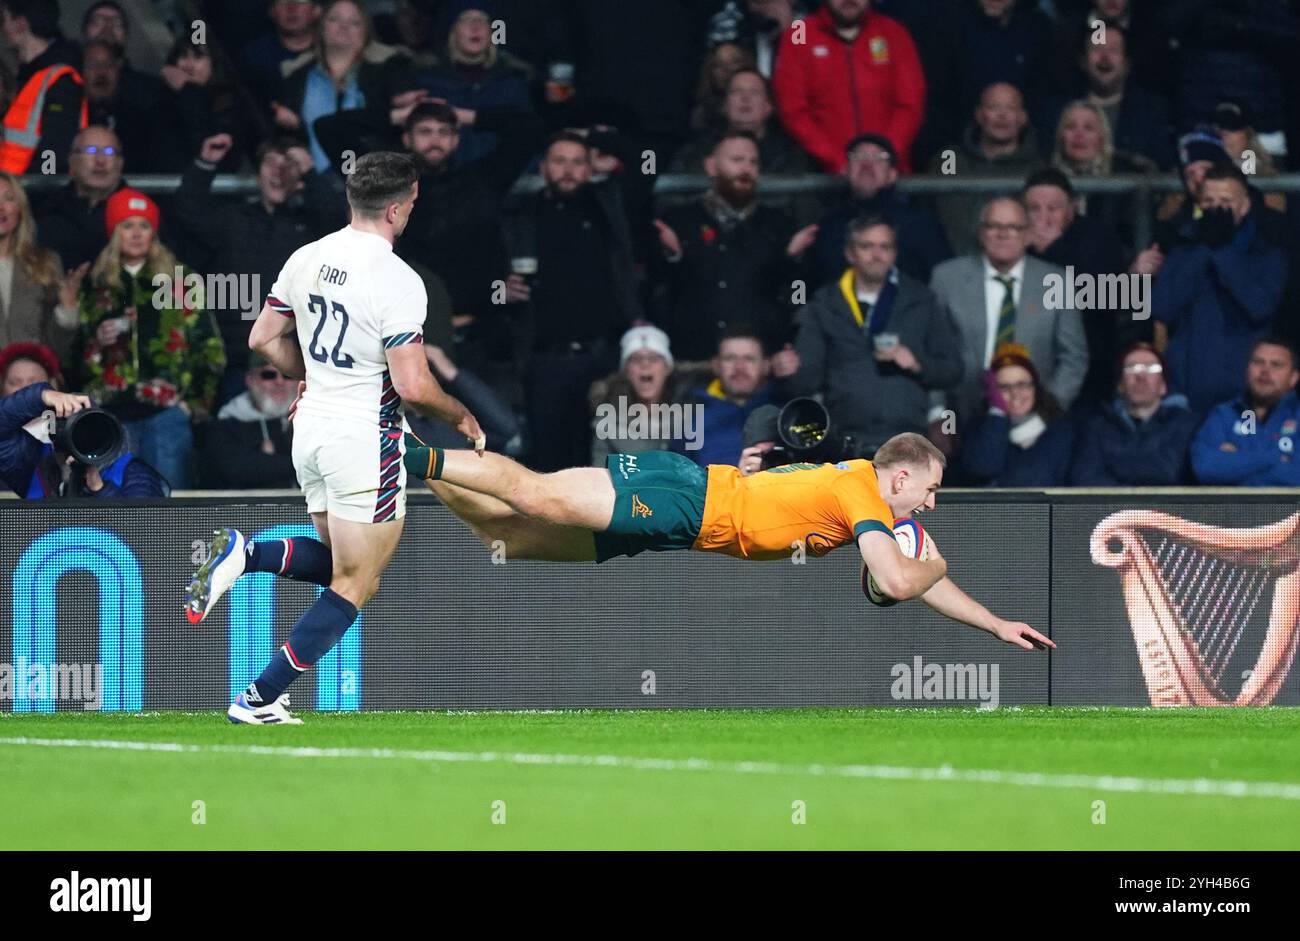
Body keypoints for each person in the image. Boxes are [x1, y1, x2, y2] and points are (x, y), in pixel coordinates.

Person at [184, 151, 485, 725]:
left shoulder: (308, 257)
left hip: (312, 427)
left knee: (340, 566)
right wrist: (461, 416)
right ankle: (259, 696)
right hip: (363, 438)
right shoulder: (399, 279)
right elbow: (414, 385)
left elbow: (262, 337)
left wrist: (310, 375)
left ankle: (246, 555)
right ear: (399, 207)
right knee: (359, 578)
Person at [400, 430, 1053, 651]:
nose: (931, 505)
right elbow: (901, 580)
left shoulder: (863, 490)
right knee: (535, 493)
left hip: (682, 521)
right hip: (688, 500)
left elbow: (906, 570)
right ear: (902, 475)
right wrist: (936, 564)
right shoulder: (863, 498)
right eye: (930, 491)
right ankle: (402, 449)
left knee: (506, 536)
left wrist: (994, 622)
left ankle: (404, 452)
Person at [74, 187, 226, 490]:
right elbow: (75, 351)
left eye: (144, 225)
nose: (136, 234)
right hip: (111, 417)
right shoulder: (95, 283)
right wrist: (96, 349)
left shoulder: (179, 281)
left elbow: (210, 349)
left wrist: (193, 405)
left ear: (154, 232)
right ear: (114, 231)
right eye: (127, 225)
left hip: (167, 416)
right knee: (115, 508)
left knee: (172, 503)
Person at [777, 214, 963, 456]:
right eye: (867, 246)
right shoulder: (823, 306)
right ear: (849, 253)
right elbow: (803, 384)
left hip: (908, 441)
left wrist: (918, 363)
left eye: (885, 247)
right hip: (844, 442)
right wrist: (790, 370)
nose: (877, 255)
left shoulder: (922, 301)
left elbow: (953, 371)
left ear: (894, 253)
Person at [652, 130, 815, 361]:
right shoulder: (679, 221)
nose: (746, 169)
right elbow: (657, 287)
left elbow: (799, 294)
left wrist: (792, 260)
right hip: (693, 358)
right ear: (711, 166)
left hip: (758, 364)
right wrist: (673, 256)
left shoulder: (780, 225)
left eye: (753, 163)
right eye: (737, 160)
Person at [929, 195, 1089, 428]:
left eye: (1013, 227)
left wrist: (1044, 416)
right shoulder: (946, 278)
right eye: (994, 226)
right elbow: (932, 351)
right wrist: (937, 416)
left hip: (1035, 414)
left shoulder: (1056, 281)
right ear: (981, 234)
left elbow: (1074, 359)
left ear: (1028, 235)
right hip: (962, 415)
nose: (1003, 234)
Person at [1152, 162, 1287, 414]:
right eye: (1209, 201)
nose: (1216, 208)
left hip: (1241, 395)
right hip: (1186, 391)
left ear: (1244, 206)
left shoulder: (1267, 255)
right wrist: (1204, 249)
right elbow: (1162, 307)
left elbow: (1259, 307)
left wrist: (1224, 252)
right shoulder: (1183, 249)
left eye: (1225, 200)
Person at [771, 0, 925, 173]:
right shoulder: (799, 34)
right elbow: (793, 111)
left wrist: (883, 155)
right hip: (820, 178)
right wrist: (838, 161)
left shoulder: (894, 32)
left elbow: (909, 104)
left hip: (889, 174)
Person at [0, 339, 166, 497]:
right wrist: (41, 395)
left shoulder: (132, 472)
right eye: (64, 424)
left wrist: (97, 486)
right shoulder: (33, 464)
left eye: (85, 428)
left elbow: (140, 525)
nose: (78, 438)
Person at [808, 132, 951, 287]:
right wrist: (791, 257)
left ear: (892, 175)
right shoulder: (828, 224)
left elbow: (945, 281)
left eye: (879, 158)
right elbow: (806, 286)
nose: (867, 164)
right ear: (845, 171)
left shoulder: (920, 224)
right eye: (858, 156)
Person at [1069, 343, 1198, 486]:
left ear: (1164, 386)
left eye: (1151, 368)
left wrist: (1114, 464)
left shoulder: (1186, 424)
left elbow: (1169, 472)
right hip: (1111, 509)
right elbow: (1085, 478)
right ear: (1120, 385)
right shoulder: (1096, 427)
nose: (1141, 375)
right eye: (1131, 368)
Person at [960, 342, 1075, 487]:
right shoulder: (977, 428)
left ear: (1036, 388)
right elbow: (984, 468)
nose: (1015, 394)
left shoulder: (1061, 431)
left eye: (1022, 384)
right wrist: (997, 413)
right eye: (1004, 387)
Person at [1190, 337, 1300, 487]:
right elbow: (1205, 468)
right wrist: (1276, 457)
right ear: (1247, 369)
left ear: (1293, 377)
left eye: (1276, 365)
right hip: (1231, 510)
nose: (1265, 370)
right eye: (1258, 362)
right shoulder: (1224, 415)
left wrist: (1235, 462)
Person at [590, 324, 702, 463]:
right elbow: (600, 473)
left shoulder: (693, 416)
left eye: (654, 359)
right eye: (636, 359)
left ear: (667, 368)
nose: (645, 364)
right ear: (626, 371)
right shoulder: (608, 424)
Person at [0, 171, 80, 361]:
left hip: (31, 384)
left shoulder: (45, 264)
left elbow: (56, 348)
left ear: (20, 208)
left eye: (8, 199)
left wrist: (67, 311)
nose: (0, 207)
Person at [0, 0, 86, 174]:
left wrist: (43, 182)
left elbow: (55, 147)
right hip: (16, 189)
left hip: (34, 191)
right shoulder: (30, 74)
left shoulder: (60, 79)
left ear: (21, 23)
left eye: (3, 20)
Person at [678, 324, 778, 468]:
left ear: (766, 366)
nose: (739, 368)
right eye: (730, 358)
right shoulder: (690, 419)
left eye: (749, 359)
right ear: (716, 365)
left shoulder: (787, 413)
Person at [201, 353, 299, 489]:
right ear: (250, 380)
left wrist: (266, 460)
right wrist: (295, 465)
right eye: (268, 375)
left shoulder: (310, 419)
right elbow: (235, 470)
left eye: (287, 375)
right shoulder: (225, 424)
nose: (279, 382)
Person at [32, 124, 125, 269]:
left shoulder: (141, 215)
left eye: (109, 152)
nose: (100, 160)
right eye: (91, 150)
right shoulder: (47, 211)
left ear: (120, 163)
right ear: (72, 161)